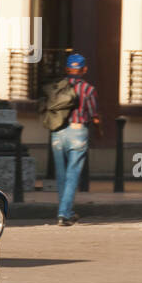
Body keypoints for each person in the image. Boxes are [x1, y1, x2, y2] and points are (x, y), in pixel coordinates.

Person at [49, 52, 100, 226]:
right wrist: (98, 126)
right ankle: (64, 214)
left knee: (61, 174)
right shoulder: (88, 89)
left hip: (57, 132)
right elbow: (94, 115)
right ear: (84, 69)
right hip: (78, 132)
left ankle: (67, 211)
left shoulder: (57, 86)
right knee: (73, 175)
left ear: (66, 69)